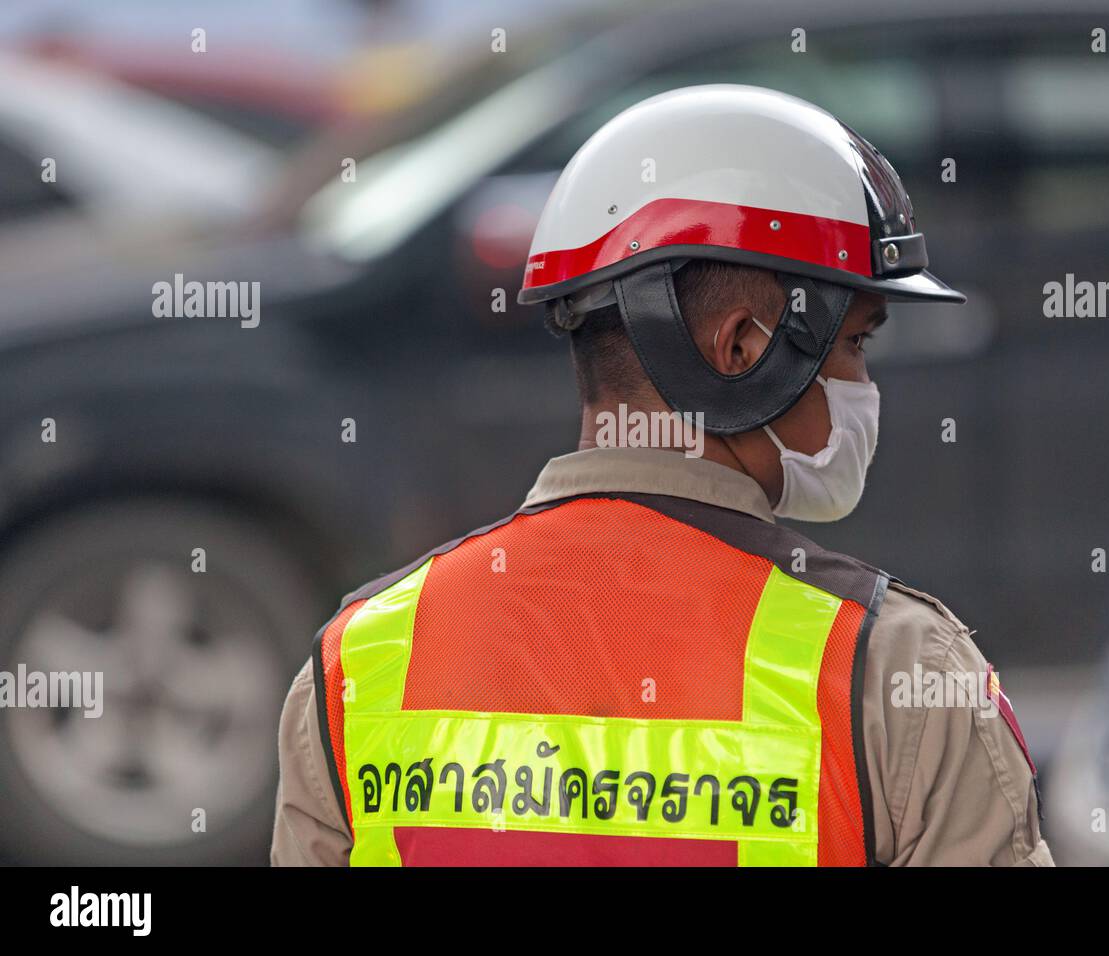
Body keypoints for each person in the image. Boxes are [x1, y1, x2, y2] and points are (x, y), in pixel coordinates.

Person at [271, 84, 1052, 866]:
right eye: (856, 346)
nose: (864, 390)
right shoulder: (893, 668)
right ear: (742, 348)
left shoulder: (361, 662)